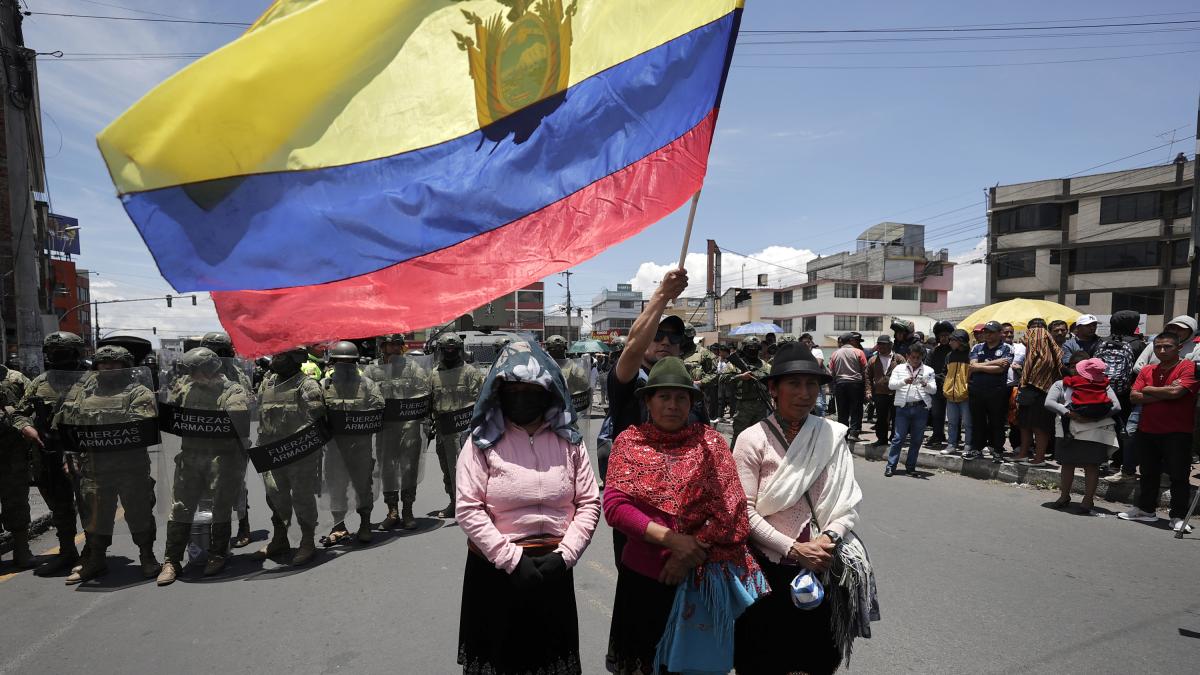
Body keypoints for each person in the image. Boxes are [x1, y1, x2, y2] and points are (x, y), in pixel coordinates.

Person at [604, 357, 765, 675]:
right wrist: (671, 540)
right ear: (648, 401)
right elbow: (615, 506)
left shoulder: (713, 444)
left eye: (681, 397)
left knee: (692, 667)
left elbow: (732, 510)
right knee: (642, 662)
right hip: (643, 580)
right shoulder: (630, 442)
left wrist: (688, 553)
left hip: (700, 577)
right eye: (663, 396)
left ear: (691, 402)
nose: (672, 405)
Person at [455, 341, 601, 675]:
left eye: (531, 390)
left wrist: (565, 556)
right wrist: (512, 560)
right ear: (499, 393)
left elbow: (589, 502)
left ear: (549, 392)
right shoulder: (482, 442)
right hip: (495, 570)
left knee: (550, 657)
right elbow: (468, 508)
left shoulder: (570, 442)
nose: (522, 397)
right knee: (500, 657)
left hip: (554, 568)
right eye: (513, 390)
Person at [732, 342, 876, 675]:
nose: (804, 393)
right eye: (794, 384)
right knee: (763, 659)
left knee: (818, 659)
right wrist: (795, 548)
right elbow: (745, 511)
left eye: (812, 384)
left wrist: (827, 539)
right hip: (767, 575)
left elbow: (847, 502)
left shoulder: (832, 436)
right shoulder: (751, 440)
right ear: (773, 388)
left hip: (823, 566)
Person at [54, 346, 161, 584]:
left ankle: (147, 556)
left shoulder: (139, 392)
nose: (109, 368)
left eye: (115, 364)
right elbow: (68, 428)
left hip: (131, 468)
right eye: (103, 364)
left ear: (125, 367)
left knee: (139, 512)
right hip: (93, 468)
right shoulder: (80, 393)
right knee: (95, 516)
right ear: (96, 366)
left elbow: (142, 426)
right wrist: (69, 457)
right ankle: (96, 560)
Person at [155, 347, 251, 585]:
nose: (192, 375)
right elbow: (169, 412)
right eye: (190, 371)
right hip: (191, 457)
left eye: (196, 371)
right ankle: (171, 561)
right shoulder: (186, 388)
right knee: (180, 508)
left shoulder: (233, 390)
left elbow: (238, 419)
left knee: (220, 507)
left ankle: (217, 554)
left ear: (209, 369)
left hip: (222, 458)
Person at [12, 332, 88, 576]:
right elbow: (19, 412)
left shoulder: (91, 380)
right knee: (60, 506)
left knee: (90, 505)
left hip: (84, 452)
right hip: (47, 452)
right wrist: (27, 428)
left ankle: (93, 554)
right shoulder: (40, 382)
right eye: (54, 353)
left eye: (63, 353)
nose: (58, 357)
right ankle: (67, 551)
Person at [1120, 333, 1200, 532]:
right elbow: (1134, 397)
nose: (1162, 351)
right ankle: (1146, 510)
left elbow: (1177, 393)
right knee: (1148, 473)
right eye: (1158, 347)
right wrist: (1163, 392)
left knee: (1179, 476)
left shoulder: (1188, 367)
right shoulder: (1147, 369)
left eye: (1167, 347)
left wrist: (1149, 389)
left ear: (1179, 347)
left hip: (1177, 431)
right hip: (1148, 429)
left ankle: (1178, 516)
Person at [255, 348, 327, 566]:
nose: (275, 358)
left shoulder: (307, 385)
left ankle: (307, 541)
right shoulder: (267, 384)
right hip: (272, 452)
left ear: (294, 359)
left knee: (302, 497)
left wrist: (293, 442)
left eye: (281, 356)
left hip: (299, 454)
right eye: (275, 355)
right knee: (275, 495)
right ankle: (280, 538)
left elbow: (316, 420)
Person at [321, 341, 384, 546]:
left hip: (361, 447)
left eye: (349, 362)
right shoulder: (325, 385)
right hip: (334, 448)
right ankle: (338, 525)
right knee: (336, 486)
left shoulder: (367, 384)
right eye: (340, 362)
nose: (344, 366)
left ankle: (365, 523)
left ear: (355, 363)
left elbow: (379, 407)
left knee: (363, 486)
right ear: (333, 362)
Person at [366, 334, 432, 530]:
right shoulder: (372, 370)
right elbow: (364, 393)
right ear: (382, 346)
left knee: (409, 467)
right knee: (387, 468)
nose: (394, 348)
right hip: (385, 427)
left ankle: (408, 510)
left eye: (397, 345)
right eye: (390, 345)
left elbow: (424, 391)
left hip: (408, 426)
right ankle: (392, 510)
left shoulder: (412, 367)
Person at [199, 330, 255, 549]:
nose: (215, 356)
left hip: (233, 437)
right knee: (204, 487)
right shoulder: (195, 372)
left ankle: (243, 524)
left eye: (219, 351)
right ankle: (211, 530)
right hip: (203, 437)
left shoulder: (239, 374)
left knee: (237, 485)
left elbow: (249, 402)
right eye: (211, 350)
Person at [1045, 354, 1121, 515]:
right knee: (1068, 464)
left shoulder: (1101, 384)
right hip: (1078, 430)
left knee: (1090, 466)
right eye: (1072, 365)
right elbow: (1049, 402)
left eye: (1078, 366)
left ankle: (1087, 500)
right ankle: (1065, 496)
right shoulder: (1062, 384)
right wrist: (1071, 414)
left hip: (1085, 431)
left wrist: (1088, 416)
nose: (1074, 369)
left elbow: (1116, 406)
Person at [430, 333, 485, 519]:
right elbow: (429, 402)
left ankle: (474, 504)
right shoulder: (434, 374)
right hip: (443, 430)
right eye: (446, 349)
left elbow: (482, 401)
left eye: (453, 349)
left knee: (471, 470)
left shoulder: (470, 373)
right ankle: (454, 502)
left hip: (466, 431)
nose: (450, 352)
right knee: (447, 469)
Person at [885, 343, 937, 477]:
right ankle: (891, 466)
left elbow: (934, 390)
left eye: (918, 358)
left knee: (917, 439)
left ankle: (910, 466)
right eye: (913, 357)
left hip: (921, 408)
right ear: (908, 356)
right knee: (898, 438)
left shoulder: (929, 370)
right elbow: (891, 386)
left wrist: (925, 383)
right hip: (903, 408)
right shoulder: (899, 368)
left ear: (922, 358)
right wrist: (904, 381)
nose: (915, 360)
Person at [0, 357, 32, 569]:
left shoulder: (16, 378)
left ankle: (22, 549)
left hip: (12, 453)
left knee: (16, 500)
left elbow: (32, 404)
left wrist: (12, 413)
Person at [965, 321, 1013, 462]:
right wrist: (994, 362)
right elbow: (972, 365)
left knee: (997, 422)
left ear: (1000, 333)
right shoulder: (977, 347)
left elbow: (1001, 369)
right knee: (978, 421)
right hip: (977, 390)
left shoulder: (1006, 348)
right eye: (985, 332)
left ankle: (997, 450)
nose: (987, 334)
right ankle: (976, 449)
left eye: (991, 332)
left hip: (996, 391)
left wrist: (979, 366)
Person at [1014, 327, 1061, 466]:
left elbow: (1041, 376)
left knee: (1039, 427)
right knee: (1024, 425)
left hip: (1042, 394)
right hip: (1028, 392)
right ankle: (1023, 455)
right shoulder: (1032, 354)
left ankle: (1039, 458)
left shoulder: (1049, 356)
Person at [726, 336, 771, 444]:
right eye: (750, 349)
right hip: (742, 406)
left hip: (761, 406)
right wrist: (740, 377)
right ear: (744, 349)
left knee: (759, 438)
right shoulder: (734, 364)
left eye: (755, 349)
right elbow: (723, 380)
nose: (753, 352)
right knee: (739, 437)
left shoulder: (766, 366)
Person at [940, 329, 973, 456]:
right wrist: (945, 385)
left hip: (966, 395)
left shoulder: (971, 355)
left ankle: (968, 445)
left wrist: (968, 387)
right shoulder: (949, 355)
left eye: (953, 340)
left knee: (968, 423)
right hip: (950, 395)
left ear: (961, 341)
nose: (950, 342)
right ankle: (951, 445)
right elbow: (944, 372)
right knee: (952, 422)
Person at [829, 333, 868, 440]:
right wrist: (866, 387)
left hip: (840, 385)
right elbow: (865, 369)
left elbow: (831, 371)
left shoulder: (835, 354)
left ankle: (843, 434)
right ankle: (854, 433)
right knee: (856, 409)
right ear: (851, 340)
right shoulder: (859, 352)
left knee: (842, 411)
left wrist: (833, 386)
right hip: (856, 384)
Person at [680, 324, 719, 422]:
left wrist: (701, 382)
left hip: (697, 399)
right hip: (677, 397)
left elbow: (715, 374)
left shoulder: (704, 353)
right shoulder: (673, 352)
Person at [865, 335, 898, 447]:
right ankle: (881, 439)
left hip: (896, 393)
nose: (881, 346)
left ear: (890, 345)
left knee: (896, 417)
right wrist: (868, 391)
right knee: (881, 418)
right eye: (879, 344)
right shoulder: (873, 360)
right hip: (879, 394)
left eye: (884, 344)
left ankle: (894, 439)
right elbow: (868, 377)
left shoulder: (898, 359)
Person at [925, 321, 954, 448]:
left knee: (954, 416)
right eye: (941, 335)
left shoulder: (955, 351)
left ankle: (955, 438)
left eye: (946, 335)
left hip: (953, 387)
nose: (944, 338)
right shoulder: (933, 352)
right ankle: (937, 435)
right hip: (936, 387)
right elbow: (927, 368)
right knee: (937, 413)